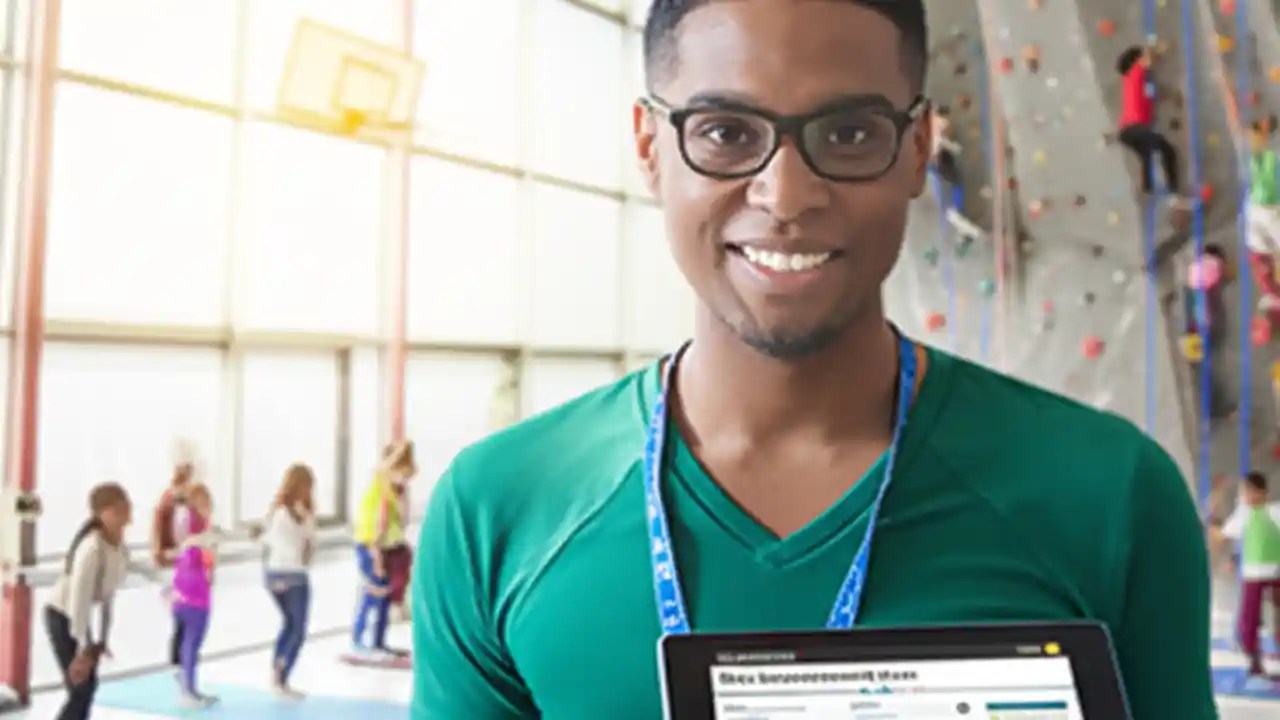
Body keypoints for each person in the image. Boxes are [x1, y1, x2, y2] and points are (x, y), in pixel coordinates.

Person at [411, 1, 1215, 718]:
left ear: (917, 150)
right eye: (726, 133)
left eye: (850, 134)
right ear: (650, 146)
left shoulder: (1108, 494)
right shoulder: (500, 509)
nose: (786, 196)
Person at [44, 483, 133, 720]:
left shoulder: (119, 548)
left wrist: (102, 639)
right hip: (62, 613)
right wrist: (82, 650)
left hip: (78, 618)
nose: (124, 512)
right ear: (101, 514)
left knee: (86, 687)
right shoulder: (92, 547)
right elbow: (79, 599)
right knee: (82, 687)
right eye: (115, 508)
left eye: (125, 505)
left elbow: (108, 595)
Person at [1214, 472, 1280, 689]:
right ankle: (1255, 663)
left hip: (1275, 573)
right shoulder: (1244, 514)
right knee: (1248, 621)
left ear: (1261, 492)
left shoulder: (1274, 511)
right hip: (1254, 575)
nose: (1245, 496)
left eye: (1248, 491)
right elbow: (1224, 535)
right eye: (1244, 492)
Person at [351, 440, 416, 659]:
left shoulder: (397, 492)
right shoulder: (380, 491)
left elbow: (401, 524)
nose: (405, 479)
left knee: (385, 598)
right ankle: (360, 641)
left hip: (387, 549)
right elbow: (375, 532)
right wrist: (377, 560)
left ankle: (378, 643)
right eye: (403, 474)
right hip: (372, 548)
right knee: (374, 594)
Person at [261, 463, 317, 698]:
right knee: (297, 628)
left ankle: (278, 673)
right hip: (293, 575)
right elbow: (302, 554)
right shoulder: (290, 515)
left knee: (289, 624)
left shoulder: (277, 511)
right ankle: (281, 678)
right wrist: (307, 525)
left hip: (274, 574)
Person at [1115, 44, 1189, 207]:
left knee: (1148, 155)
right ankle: (1172, 192)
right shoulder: (1134, 74)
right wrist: (1160, 49)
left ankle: (1148, 190)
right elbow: (1147, 59)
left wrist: (1173, 96)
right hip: (1134, 128)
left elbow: (1156, 94)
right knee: (1165, 150)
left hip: (1129, 131)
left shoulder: (1142, 83)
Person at [150, 437, 198, 678]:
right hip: (175, 566)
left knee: (189, 619)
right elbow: (159, 536)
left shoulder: (191, 501)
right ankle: (180, 665)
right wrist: (162, 553)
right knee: (183, 617)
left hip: (188, 565)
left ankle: (183, 666)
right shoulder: (167, 502)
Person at [169, 483, 219, 708]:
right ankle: (187, 690)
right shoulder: (199, 537)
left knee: (191, 641)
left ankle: (189, 687)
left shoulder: (196, 536)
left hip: (189, 592)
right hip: (194, 595)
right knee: (192, 640)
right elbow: (204, 562)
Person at [1246, 116, 1280, 327]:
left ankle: (1261, 136)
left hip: (1262, 213)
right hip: (1261, 214)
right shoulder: (1268, 286)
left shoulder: (1269, 286)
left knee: (1262, 164)